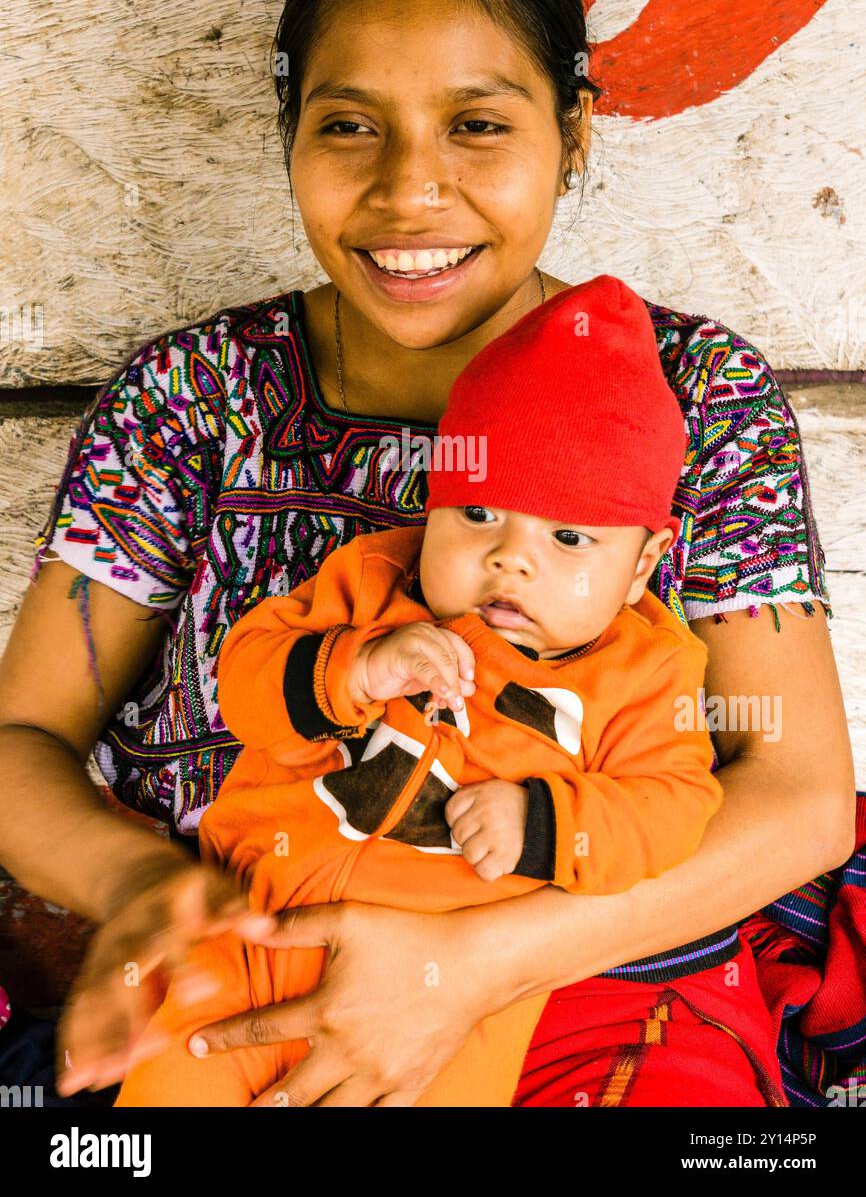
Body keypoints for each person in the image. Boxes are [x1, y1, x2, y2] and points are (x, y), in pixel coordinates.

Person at [0, 0, 854, 1109]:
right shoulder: (197, 394)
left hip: (575, 987)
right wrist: (142, 888)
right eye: (348, 124)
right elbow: (24, 739)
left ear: (574, 131)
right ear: (288, 130)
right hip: (231, 982)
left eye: (477, 126)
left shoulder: (690, 395)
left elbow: (799, 797)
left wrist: (461, 969)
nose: (410, 190)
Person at [114, 276, 789, 1107]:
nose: (510, 557)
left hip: (450, 992)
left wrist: (545, 823)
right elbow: (246, 678)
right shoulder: (370, 583)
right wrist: (352, 670)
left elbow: (674, 805)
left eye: (569, 536)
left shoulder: (644, 673)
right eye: (475, 514)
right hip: (251, 933)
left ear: (645, 562)